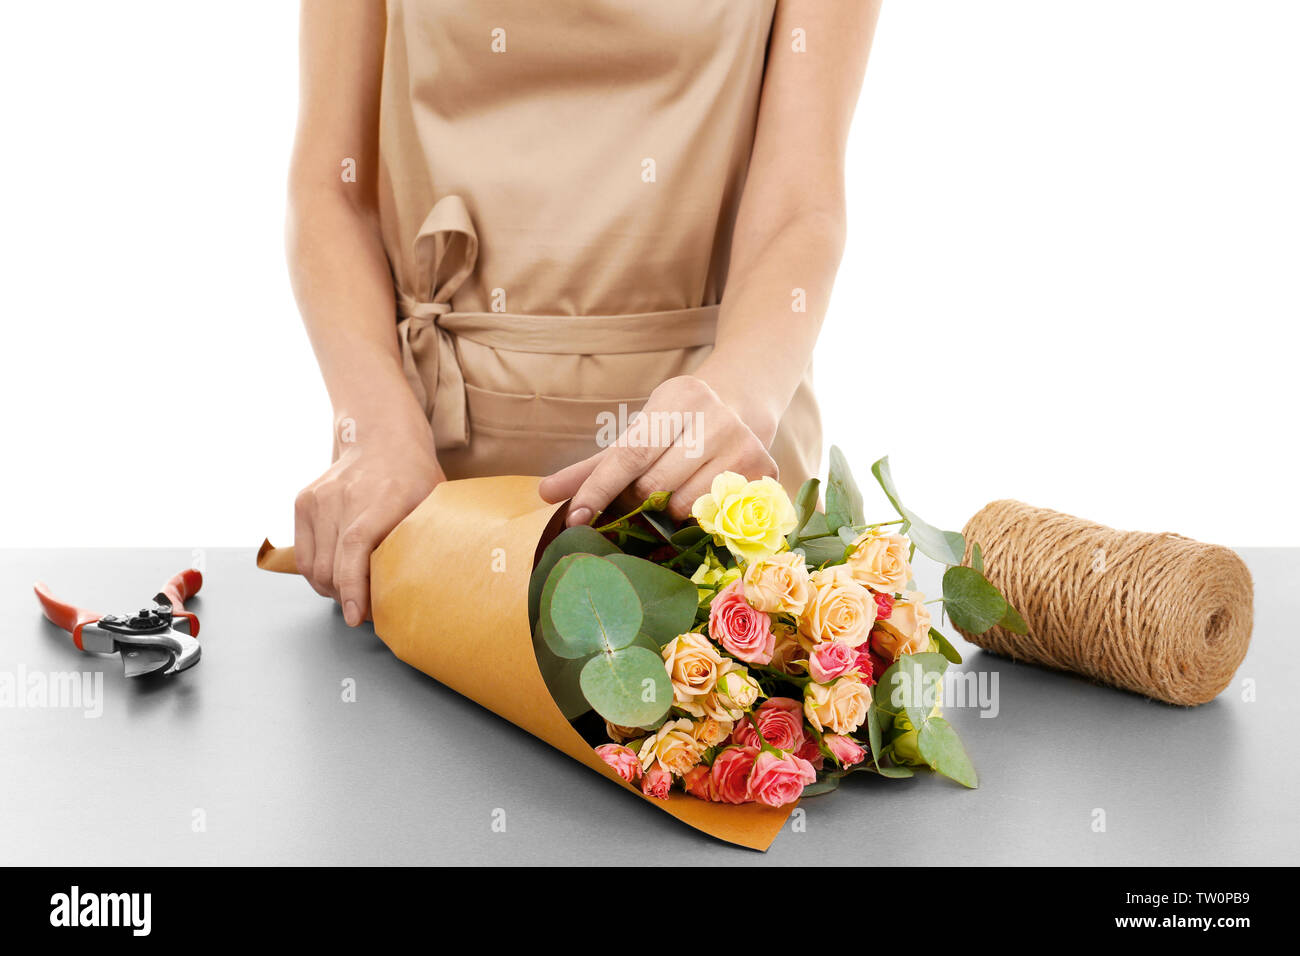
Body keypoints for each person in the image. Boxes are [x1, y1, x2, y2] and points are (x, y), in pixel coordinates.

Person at [286, 0, 880, 626]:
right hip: (426, 488)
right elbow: (333, 188)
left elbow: (801, 203)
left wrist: (741, 395)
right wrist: (374, 426)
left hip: (710, 466)